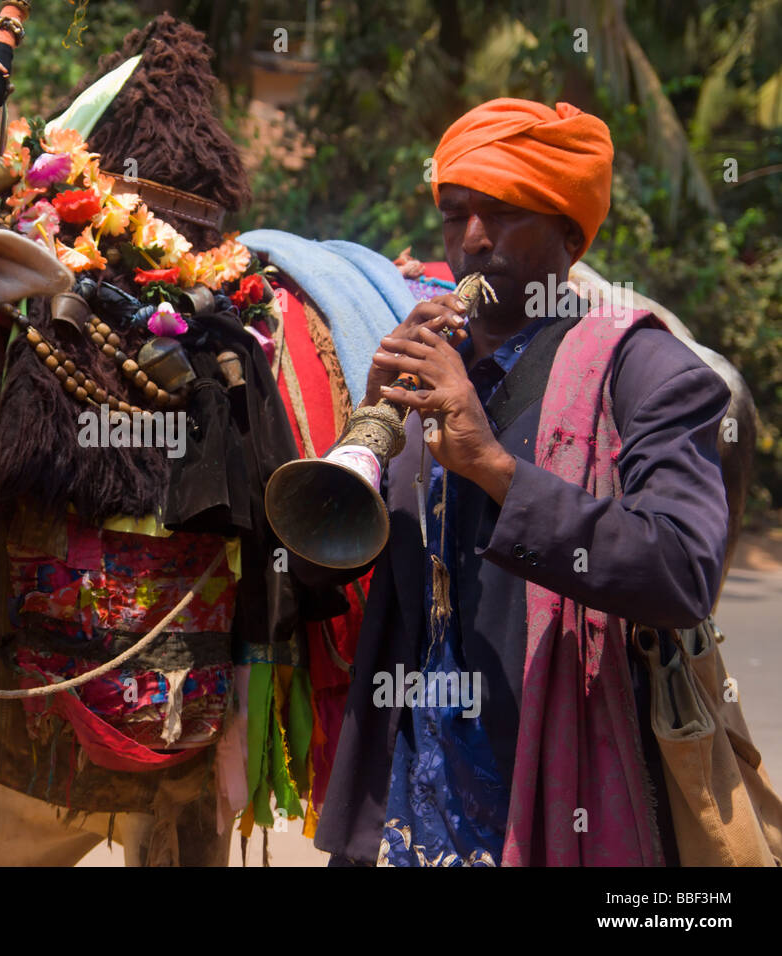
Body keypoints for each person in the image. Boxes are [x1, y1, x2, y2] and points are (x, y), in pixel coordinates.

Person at [312, 98, 730, 866]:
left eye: (503, 213)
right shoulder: (424, 368)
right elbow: (338, 582)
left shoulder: (648, 375)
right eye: (455, 213)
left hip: (557, 796)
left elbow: (682, 570)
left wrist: (497, 471)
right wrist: (367, 431)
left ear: (571, 232)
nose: (472, 240)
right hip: (414, 802)